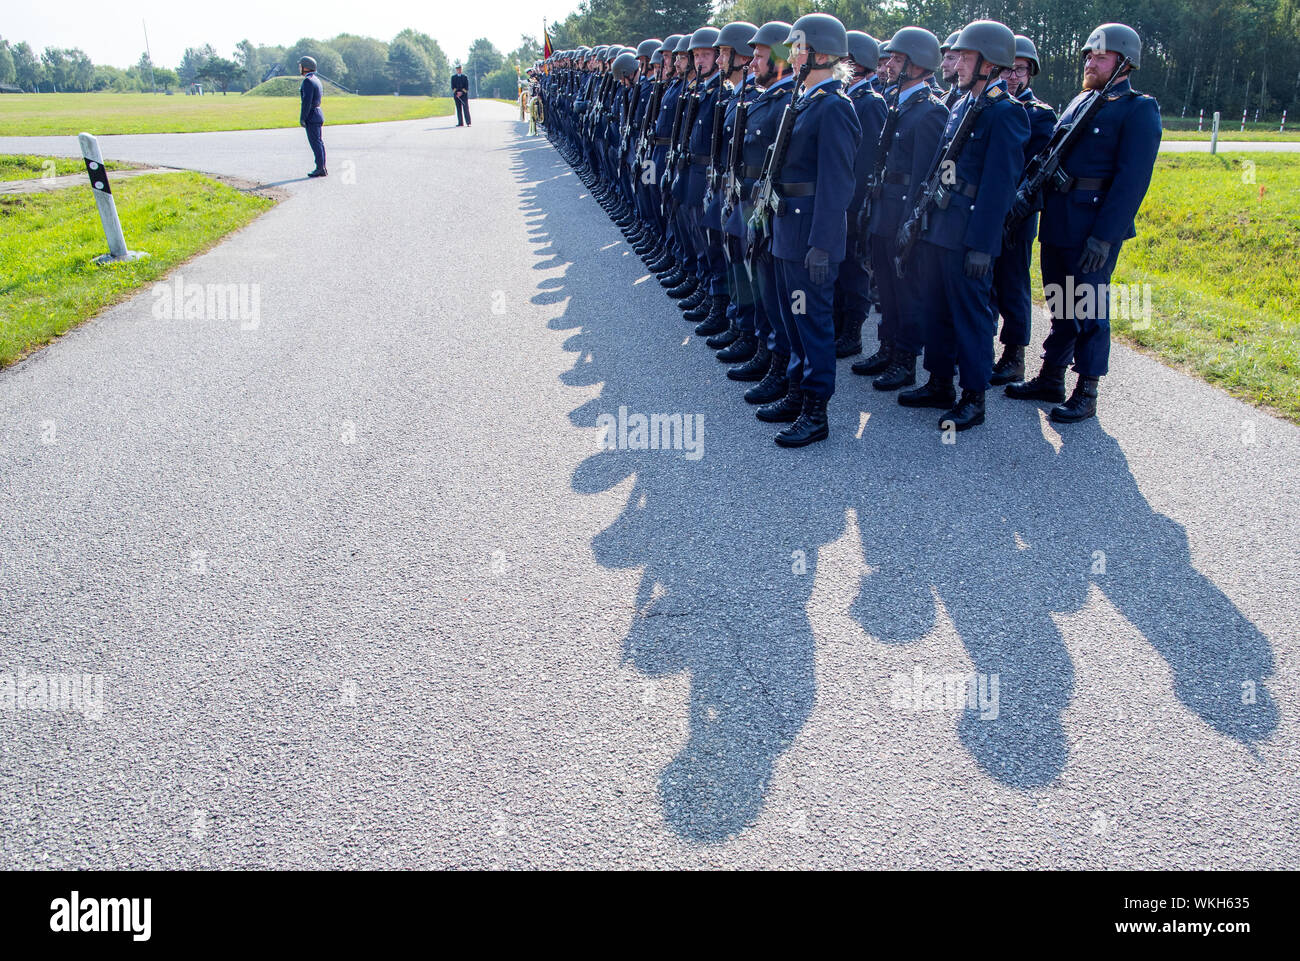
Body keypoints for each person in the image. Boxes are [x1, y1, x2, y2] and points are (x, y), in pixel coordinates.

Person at [1005, 23, 1162, 422]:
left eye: (1101, 56)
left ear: (1124, 62)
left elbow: (1131, 183)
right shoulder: (1080, 102)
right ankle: (1052, 376)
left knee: (1090, 308)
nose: (1091, 62)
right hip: (1059, 219)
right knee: (1060, 302)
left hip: (1093, 228)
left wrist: (1105, 238)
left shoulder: (1137, 109)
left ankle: (1087, 390)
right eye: (1089, 56)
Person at [898, 19, 1028, 431]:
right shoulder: (961, 104)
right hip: (940, 224)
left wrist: (983, 246)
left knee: (970, 317)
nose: (959, 65)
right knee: (935, 308)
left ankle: (973, 397)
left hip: (970, 233)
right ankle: (939, 382)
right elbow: (939, 168)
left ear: (989, 63)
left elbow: (999, 188)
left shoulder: (1006, 113)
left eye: (967, 57)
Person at [758, 12, 861, 448]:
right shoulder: (803, 100)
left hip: (809, 237)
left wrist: (823, 245)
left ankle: (816, 411)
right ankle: (798, 391)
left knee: (811, 321)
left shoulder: (835, 107)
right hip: (787, 229)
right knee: (791, 318)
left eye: (799, 47)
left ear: (821, 53)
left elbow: (838, 186)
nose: (793, 54)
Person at [854, 28, 948, 390]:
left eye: (896, 59)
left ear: (918, 64)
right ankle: (887, 346)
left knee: (905, 288)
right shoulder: (897, 102)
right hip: (882, 208)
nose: (889, 65)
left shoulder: (928, 113)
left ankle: (905, 359)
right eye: (889, 59)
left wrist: (911, 224)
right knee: (886, 286)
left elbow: (923, 177)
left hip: (902, 215)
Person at [989, 36, 1058, 386]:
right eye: (1007, 68)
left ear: (1030, 73)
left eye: (1020, 69)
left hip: (1019, 213)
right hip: (989, 208)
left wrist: (1014, 206)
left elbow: (1035, 169)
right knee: (986, 283)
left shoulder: (1039, 115)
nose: (1013, 75)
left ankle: (1014, 355)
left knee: (1012, 283)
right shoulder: (990, 106)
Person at [299, 56, 327, 178]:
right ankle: (322, 167)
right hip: (317, 113)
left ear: (305, 67)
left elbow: (306, 101)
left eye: (300, 65)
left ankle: (320, 168)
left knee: (315, 143)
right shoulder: (316, 79)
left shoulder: (308, 81)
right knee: (319, 142)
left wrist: (303, 118)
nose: (299, 68)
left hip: (311, 115)